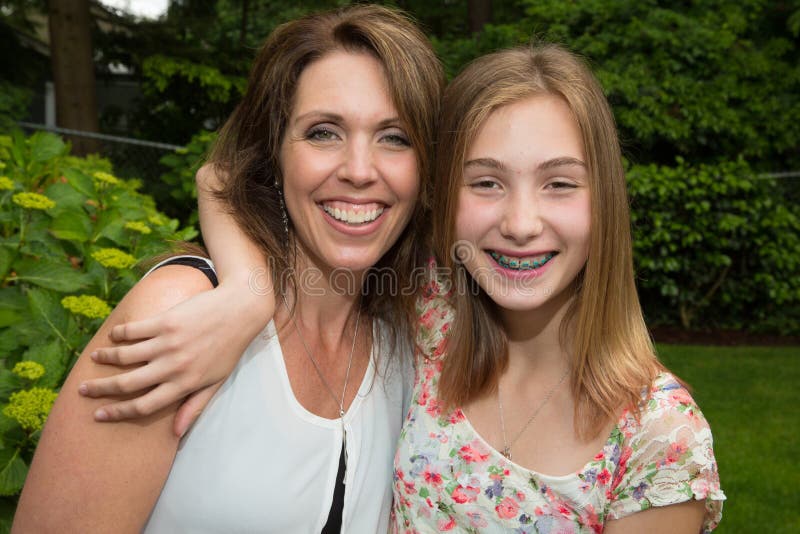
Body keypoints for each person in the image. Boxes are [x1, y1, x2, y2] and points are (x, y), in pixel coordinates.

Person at [75, 45, 724, 531]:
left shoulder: (658, 439)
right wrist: (249, 293)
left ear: (605, 199)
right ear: (442, 199)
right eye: (486, 181)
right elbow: (221, 174)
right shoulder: (435, 318)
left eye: (559, 183)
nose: (521, 224)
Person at [13, 5, 443, 532]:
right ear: (275, 152)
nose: (358, 170)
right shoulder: (182, 311)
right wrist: (250, 293)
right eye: (323, 132)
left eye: (394, 137)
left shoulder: (410, 337)